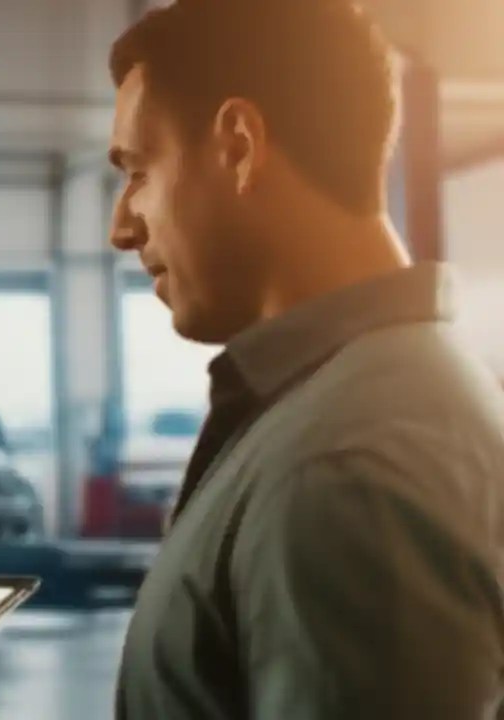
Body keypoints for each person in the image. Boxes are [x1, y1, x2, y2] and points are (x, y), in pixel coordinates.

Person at [105, 1, 504, 718]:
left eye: (138, 170)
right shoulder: (364, 395)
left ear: (238, 145)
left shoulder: (348, 458)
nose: (121, 226)